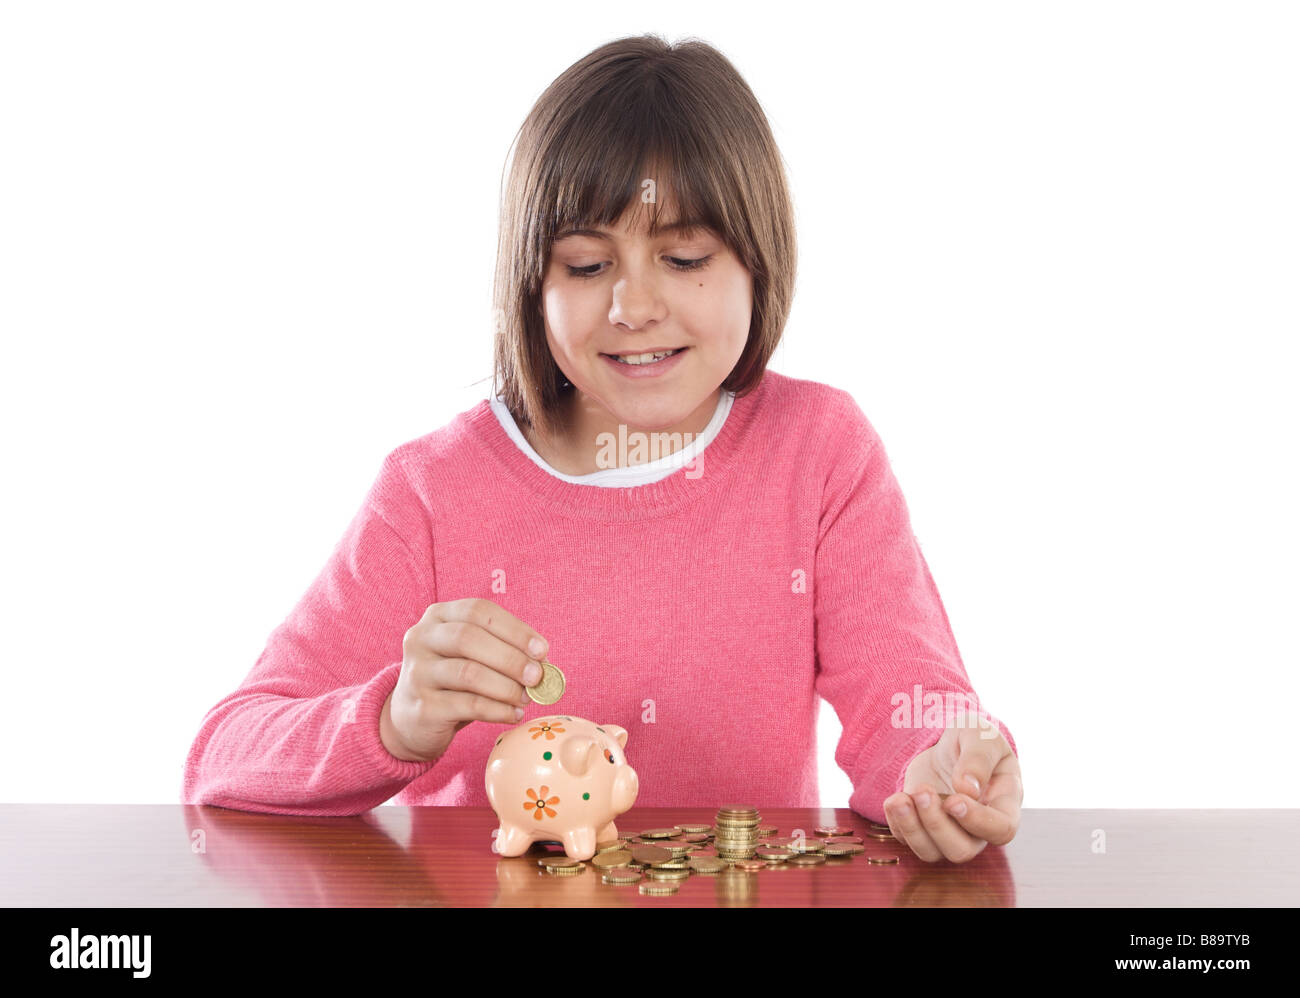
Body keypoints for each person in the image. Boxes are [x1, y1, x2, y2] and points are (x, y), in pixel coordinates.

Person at [182, 33, 1023, 864]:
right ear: (531, 282)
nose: (633, 305)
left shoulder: (820, 451)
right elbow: (223, 757)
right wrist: (391, 721)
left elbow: (911, 711)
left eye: (684, 256)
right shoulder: (432, 491)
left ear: (759, 264)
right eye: (586, 265)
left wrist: (946, 766)